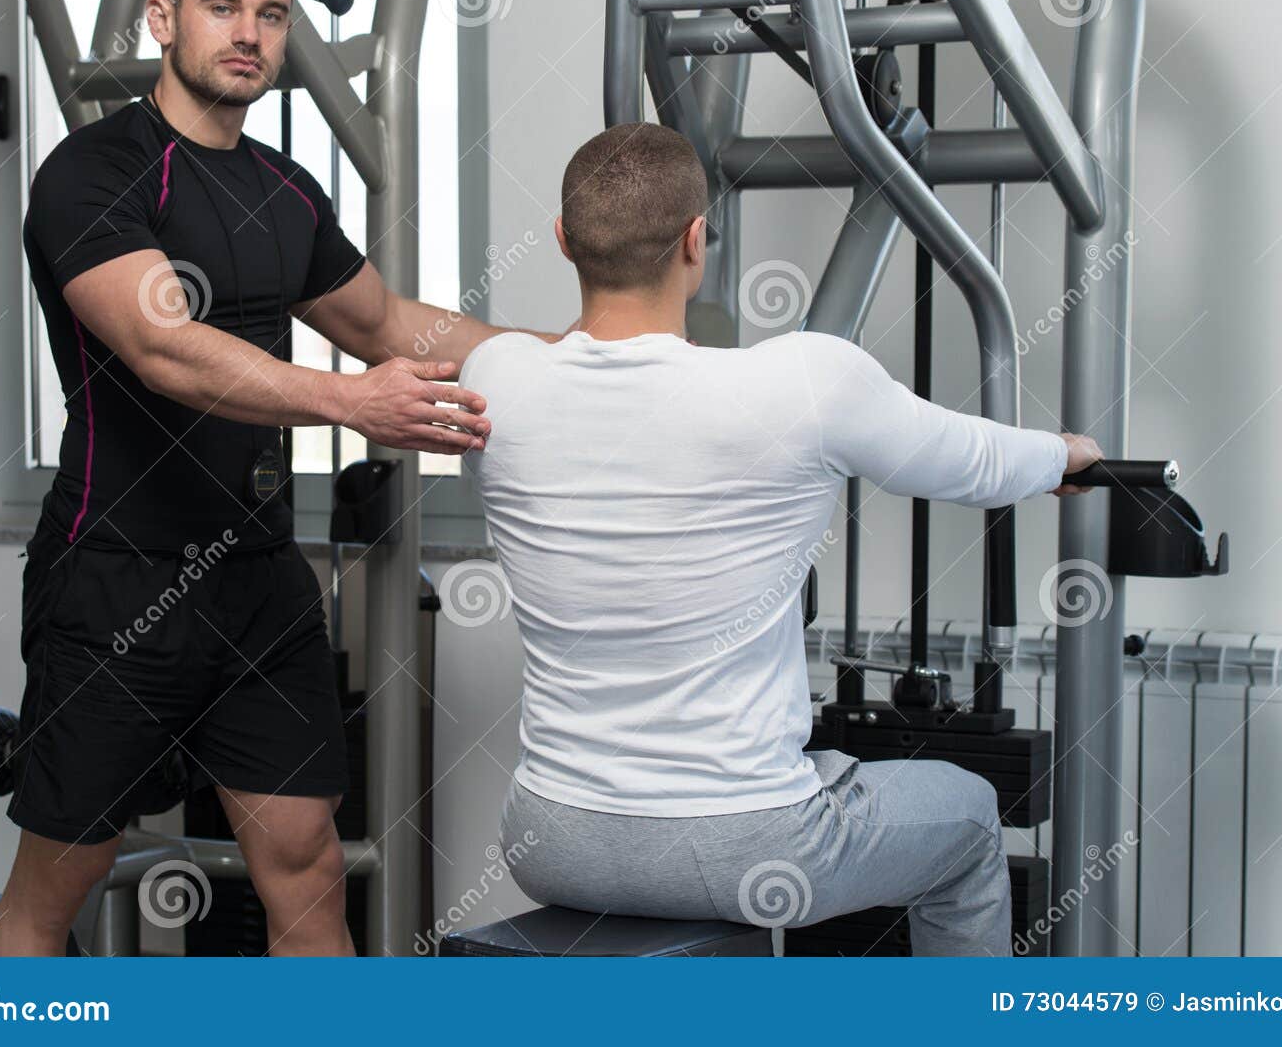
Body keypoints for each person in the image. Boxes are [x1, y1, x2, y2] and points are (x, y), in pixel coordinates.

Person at [0, 0, 549, 957]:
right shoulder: (95, 172)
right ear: (163, 18)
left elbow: (389, 324)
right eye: (221, 9)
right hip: (116, 579)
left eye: (271, 16)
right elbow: (166, 348)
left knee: (309, 867)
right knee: (49, 897)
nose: (248, 34)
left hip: (255, 581)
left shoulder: (284, 191)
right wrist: (349, 403)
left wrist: (559, 352)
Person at [461, 122, 1102, 956]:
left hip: (548, 840)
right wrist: (1064, 456)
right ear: (697, 240)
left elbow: (586, 375)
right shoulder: (803, 380)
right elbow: (971, 460)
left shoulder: (495, 378)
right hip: (742, 844)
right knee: (972, 815)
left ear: (561, 241)